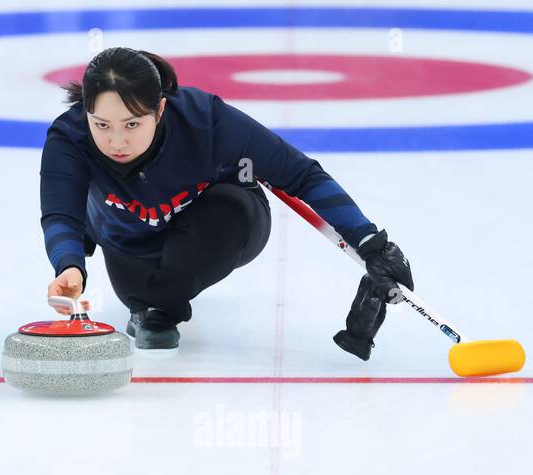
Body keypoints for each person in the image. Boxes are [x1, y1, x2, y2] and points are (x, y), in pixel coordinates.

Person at [40, 47, 414, 355]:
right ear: (85, 113)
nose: (116, 141)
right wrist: (69, 265)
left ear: (160, 110)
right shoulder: (70, 137)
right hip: (127, 241)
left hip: (218, 222)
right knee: (138, 293)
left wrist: (369, 241)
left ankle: (162, 302)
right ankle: (154, 300)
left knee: (230, 214)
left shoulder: (207, 122)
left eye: (132, 124)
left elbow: (302, 175)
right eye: (101, 125)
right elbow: (61, 213)